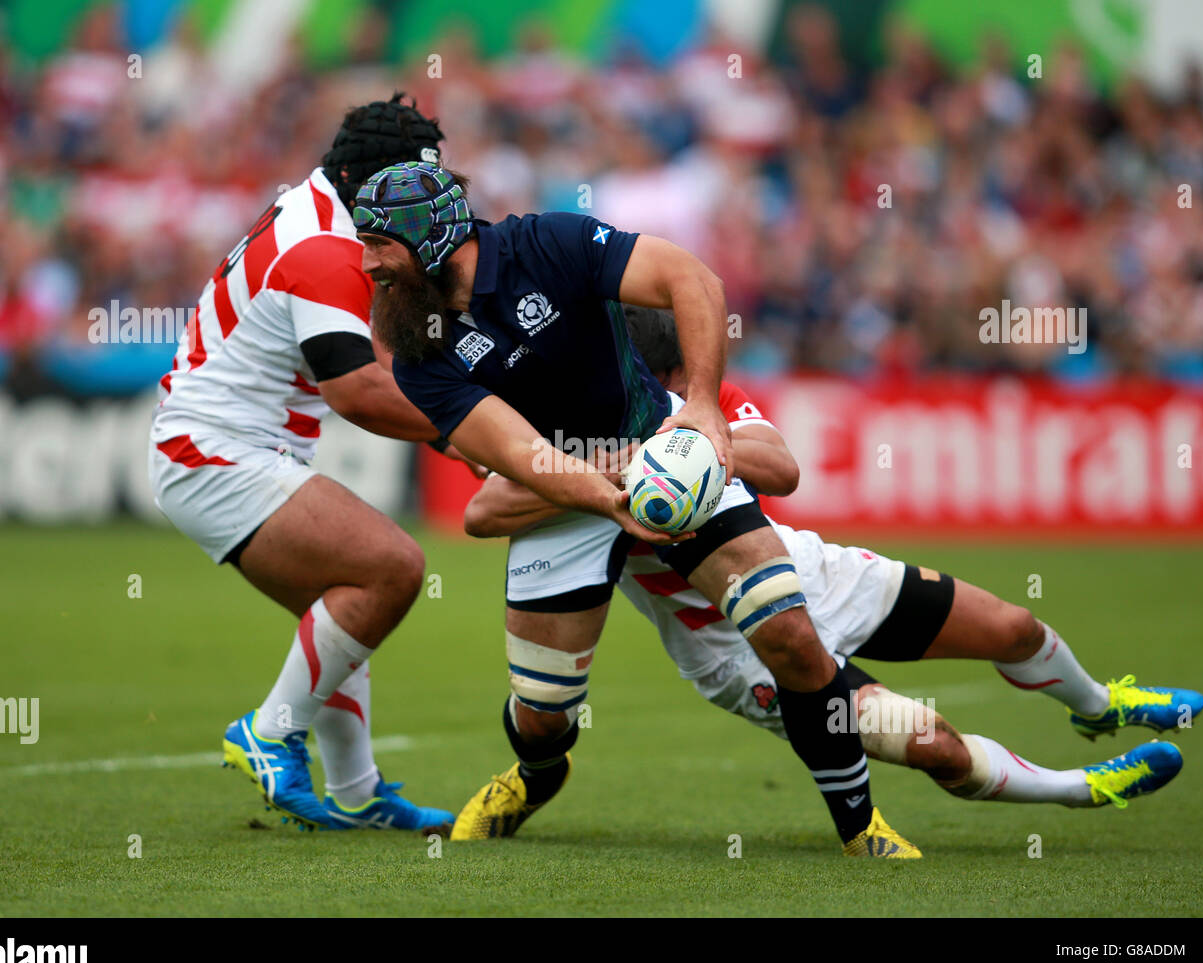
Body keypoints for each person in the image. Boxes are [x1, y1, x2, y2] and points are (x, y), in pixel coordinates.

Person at [355, 161, 918, 857]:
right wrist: (612, 496)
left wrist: (703, 408)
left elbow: (691, 279)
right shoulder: (417, 351)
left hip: (663, 447)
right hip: (560, 497)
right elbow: (525, 457)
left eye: (380, 245)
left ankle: (860, 827)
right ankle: (536, 775)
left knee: (790, 635)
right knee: (543, 714)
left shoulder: (549, 243)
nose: (368, 264)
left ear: (434, 239)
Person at [464, 307, 1203, 814]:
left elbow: (782, 468)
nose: (686, 389)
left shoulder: (703, 403)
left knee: (1013, 627)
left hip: (807, 571)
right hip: (735, 645)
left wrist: (686, 445)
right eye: (674, 380)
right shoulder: (563, 435)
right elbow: (486, 511)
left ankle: (1099, 705)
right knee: (936, 745)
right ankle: (1086, 789)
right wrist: (620, 471)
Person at [148, 95, 461, 832]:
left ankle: (356, 792)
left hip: (227, 447)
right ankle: (269, 732)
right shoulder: (321, 245)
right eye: (400, 189)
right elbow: (357, 391)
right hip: (217, 451)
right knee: (393, 568)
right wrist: (473, 432)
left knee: (346, 605)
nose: (414, 208)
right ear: (356, 180)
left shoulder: (321, 215)